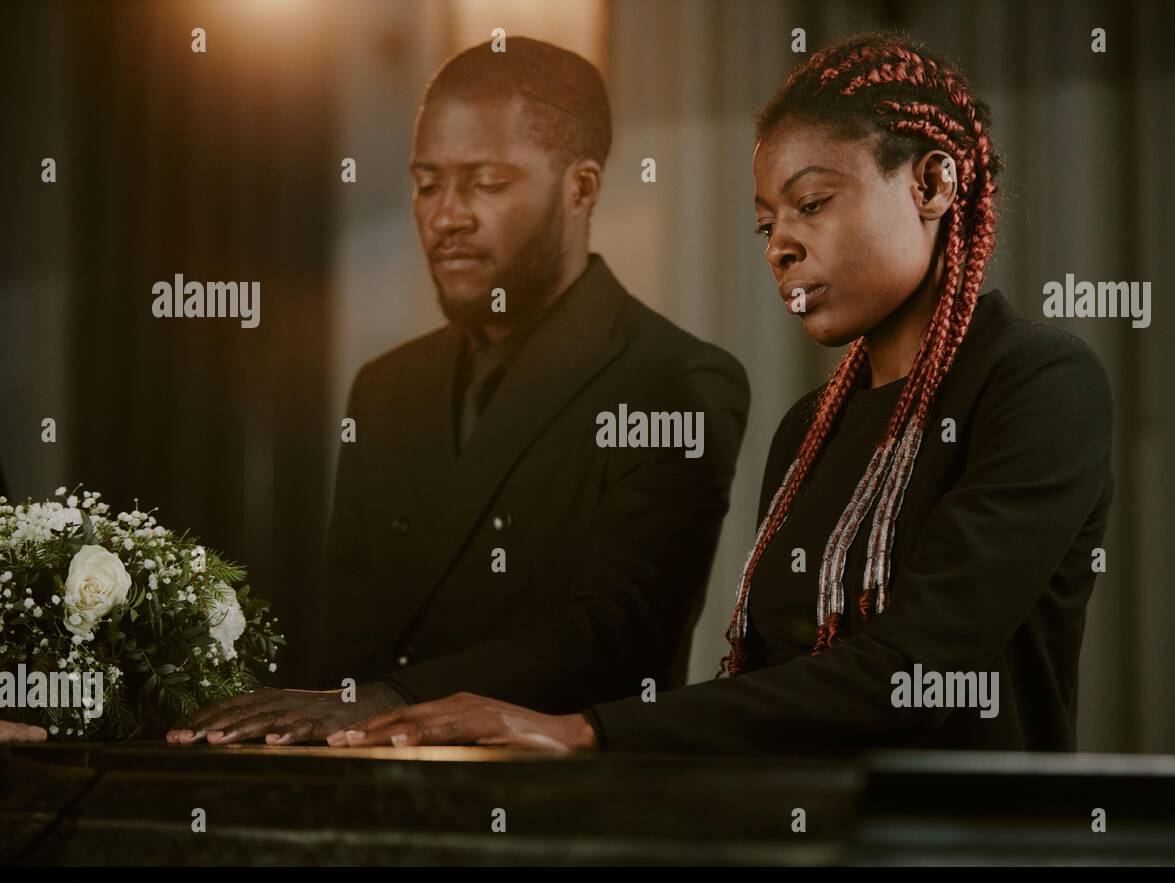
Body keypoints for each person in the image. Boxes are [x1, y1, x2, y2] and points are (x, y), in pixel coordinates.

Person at [331, 31, 1114, 756]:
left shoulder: (1038, 383)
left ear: (933, 183)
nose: (780, 245)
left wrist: (585, 731)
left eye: (811, 204)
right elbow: (760, 688)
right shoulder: (810, 428)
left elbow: (908, 673)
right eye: (764, 222)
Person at [167, 38, 749, 747]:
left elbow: (616, 635)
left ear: (582, 187)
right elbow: (348, 645)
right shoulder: (385, 387)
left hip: (562, 811)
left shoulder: (676, 379)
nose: (446, 217)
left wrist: (382, 701)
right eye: (428, 182)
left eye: (486, 182)